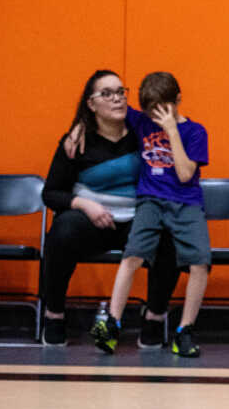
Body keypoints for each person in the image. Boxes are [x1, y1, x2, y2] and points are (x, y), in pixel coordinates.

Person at [40, 69, 180, 346]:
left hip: (137, 220)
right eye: (107, 93)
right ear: (91, 104)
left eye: (120, 92)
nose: (117, 98)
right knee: (62, 230)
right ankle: (53, 314)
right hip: (92, 221)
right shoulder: (76, 141)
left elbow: (178, 123)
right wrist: (84, 205)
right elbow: (51, 193)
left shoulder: (144, 133)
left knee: (170, 234)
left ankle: (154, 317)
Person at [90, 71, 211, 358]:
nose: (155, 115)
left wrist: (171, 131)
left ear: (177, 101)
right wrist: (77, 130)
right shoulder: (142, 121)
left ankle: (185, 330)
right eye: (150, 109)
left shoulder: (196, 132)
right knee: (132, 255)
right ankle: (112, 325)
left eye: (162, 109)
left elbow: (184, 174)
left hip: (186, 202)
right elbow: (105, 113)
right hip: (150, 201)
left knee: (200, 263)